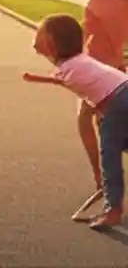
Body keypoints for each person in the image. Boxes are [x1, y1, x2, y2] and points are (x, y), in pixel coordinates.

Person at [24, 14, 128, 230]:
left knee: (109, 153)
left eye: (39, 32)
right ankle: (113, 203)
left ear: (51, 42)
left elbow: (61, 79)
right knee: (121, 144)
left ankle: (113, 209)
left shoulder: (70, 68)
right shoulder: (76, 62)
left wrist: (35, 78)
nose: (35, 36)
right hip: (120, 94)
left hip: (116, 101)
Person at [71, 0, 128, 220]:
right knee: (109, 128)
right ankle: (106, 184)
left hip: (100, 75)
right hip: (115, 71)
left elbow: (91, 43)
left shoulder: (100, 2)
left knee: (99, 128)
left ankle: (104, 185)